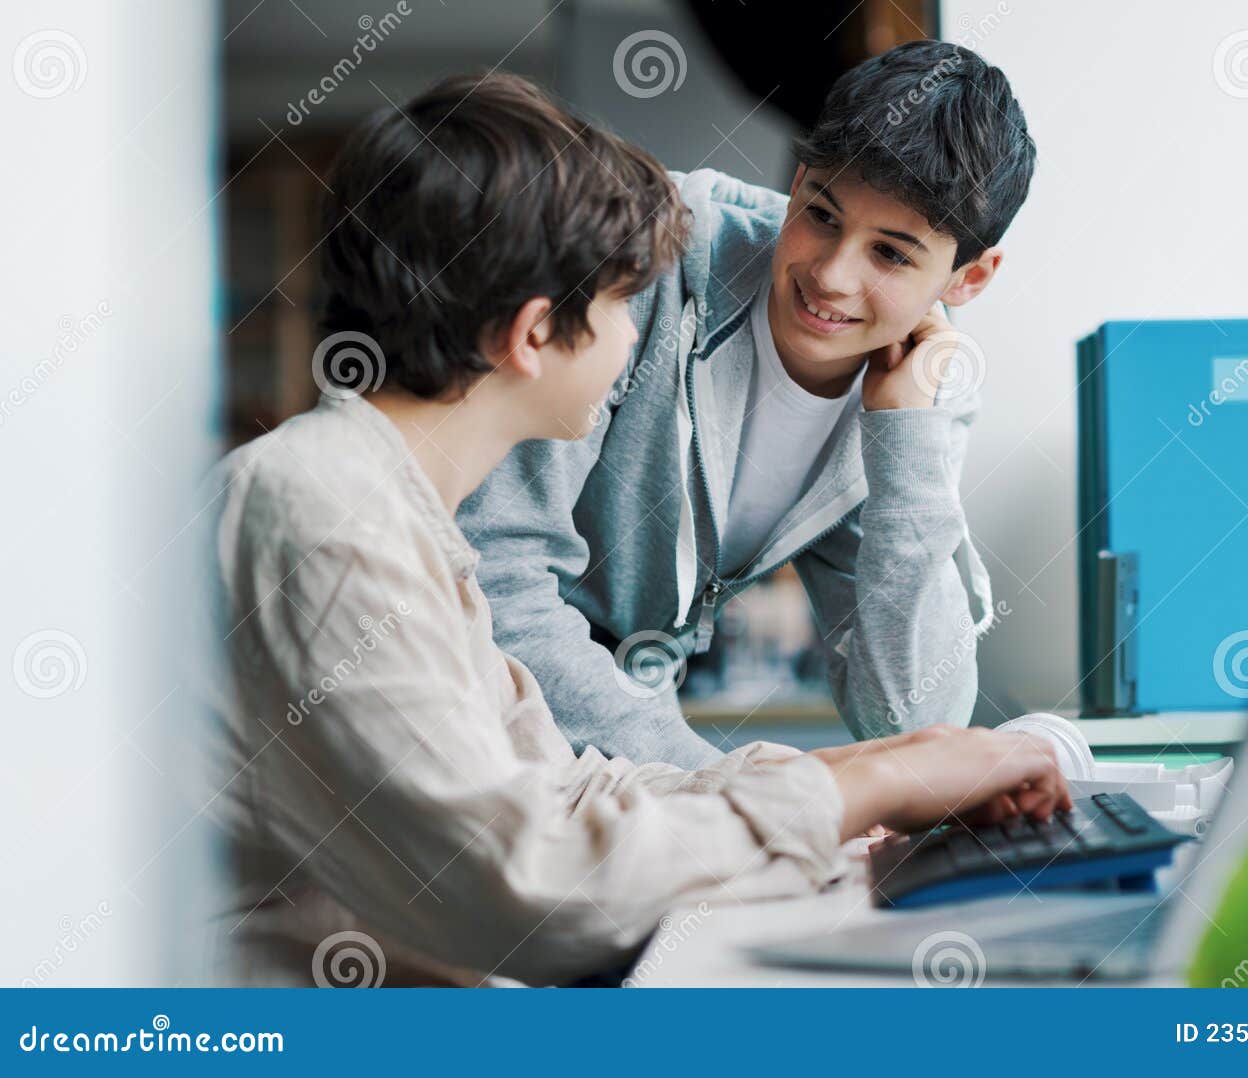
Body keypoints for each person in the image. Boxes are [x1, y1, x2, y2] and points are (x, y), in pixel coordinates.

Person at [203, 73, 1067, 987]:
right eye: (623, 303)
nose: (641, 337)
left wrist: (887, 777)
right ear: (537, 335)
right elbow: (529, 889)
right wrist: (853, 791)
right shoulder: (330, 516)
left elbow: (562, 793)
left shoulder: (401, 524)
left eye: (892, 255)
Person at [458, 40, 1037, 766]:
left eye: (889, 254)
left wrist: (909, 439)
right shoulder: (640, 267)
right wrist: (711, 782)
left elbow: (910, 718)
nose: (830, 275)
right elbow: (495, 583)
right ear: (798, 180)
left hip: (605, 746)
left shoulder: (917, 394)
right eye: (821, 215)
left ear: (970, 277)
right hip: (468, 711)